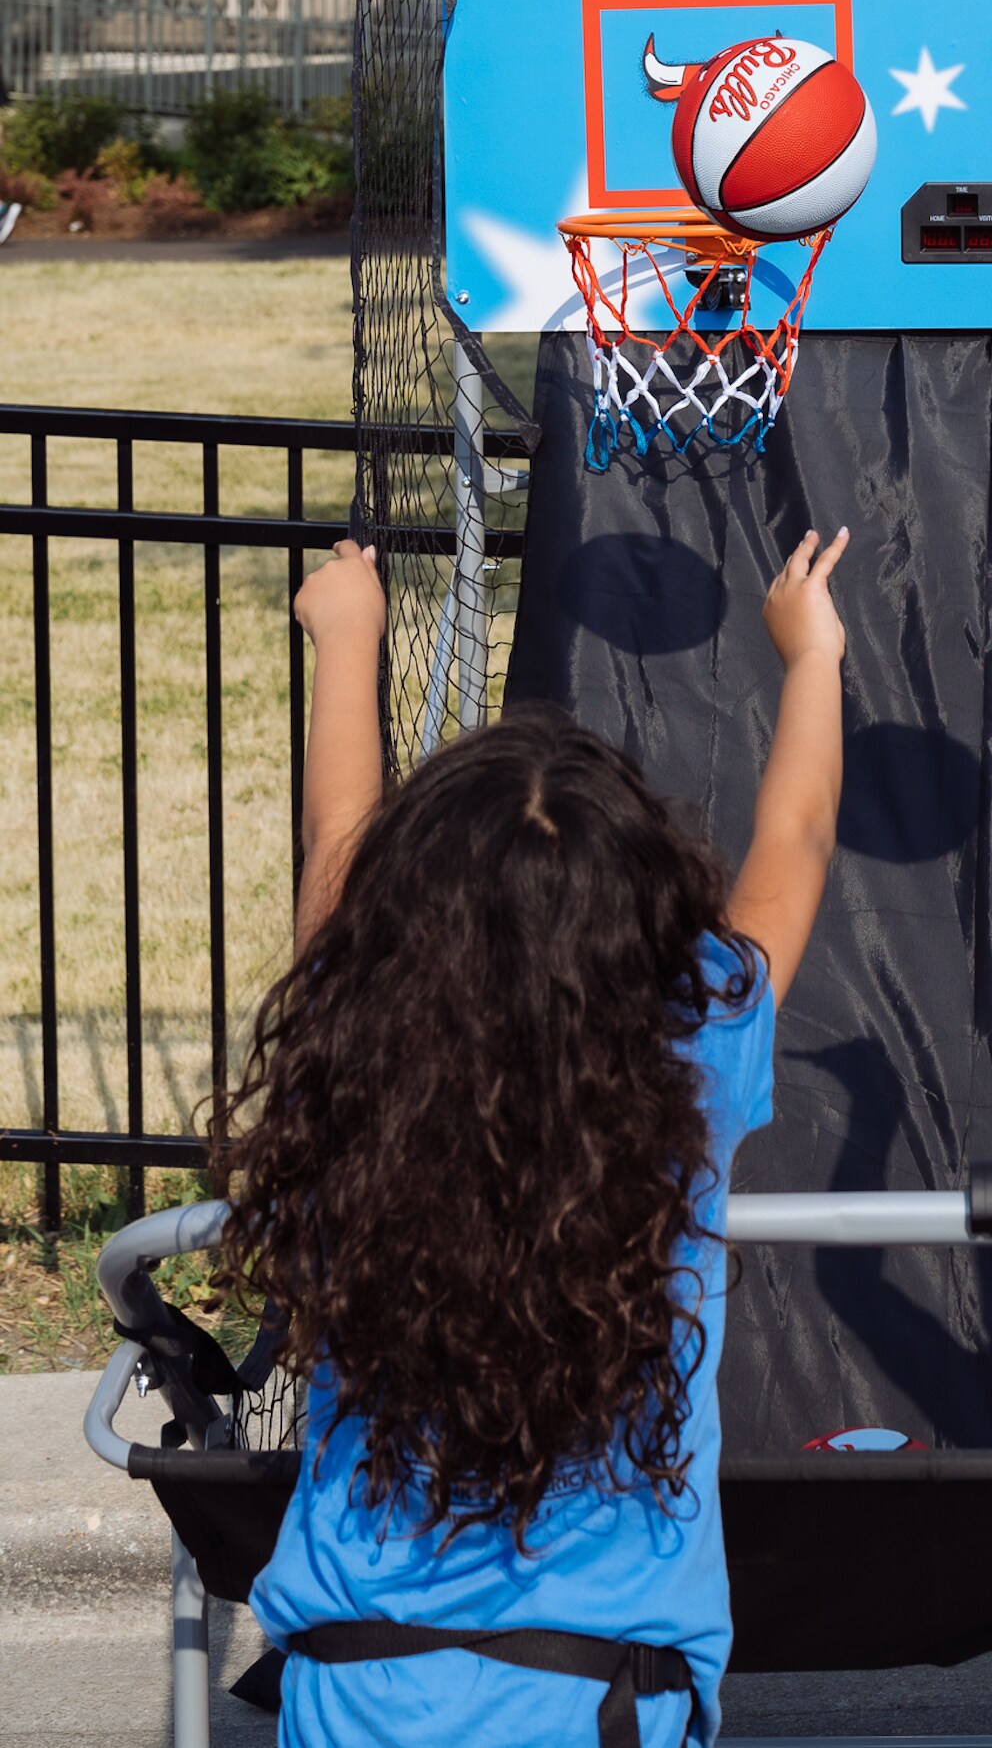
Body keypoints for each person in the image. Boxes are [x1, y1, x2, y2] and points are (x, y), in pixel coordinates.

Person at [224, 521, 850, 1748]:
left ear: (405, 923)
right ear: (645, 916)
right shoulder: (694, 1055)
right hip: (601, 1703)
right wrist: (812, 656)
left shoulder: (356, 1056)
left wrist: (347, 636)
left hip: (357, 1699)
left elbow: (336, 846)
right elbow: (796, 842)